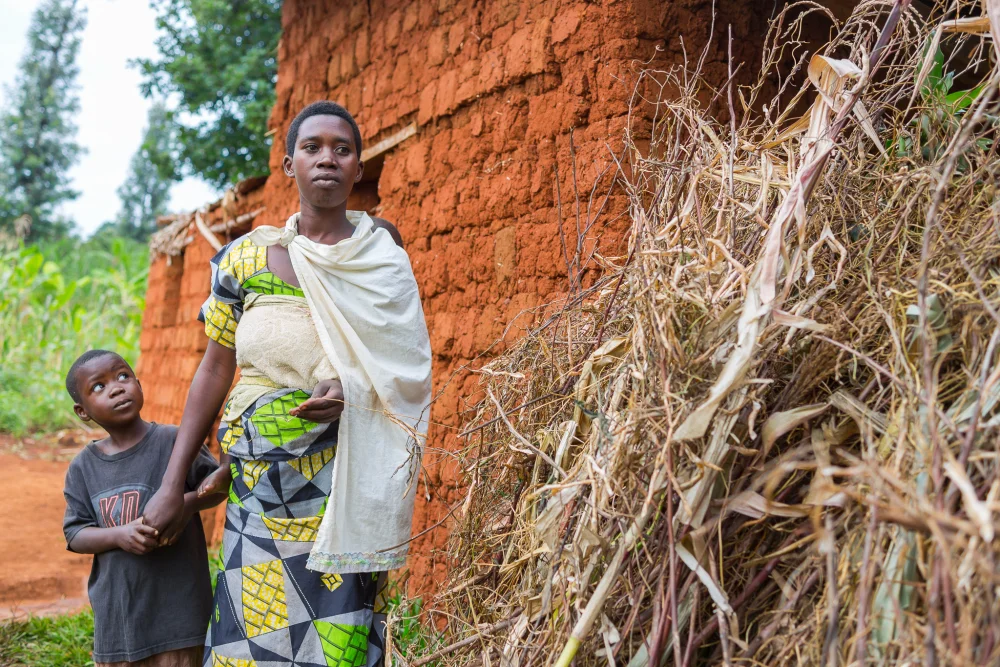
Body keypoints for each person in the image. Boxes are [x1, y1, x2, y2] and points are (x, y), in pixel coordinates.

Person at [140, 101, 433, 667]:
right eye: (312, 147)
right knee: (251, 635)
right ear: (288, 164)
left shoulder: (377, 253)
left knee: (340, 637)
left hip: (345, 483)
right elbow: (214, 368)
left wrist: (350, 389)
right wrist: (171, 482)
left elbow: (405, 363)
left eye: (342, 149)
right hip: (259, 488)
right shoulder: (244, 257)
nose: (327, 158)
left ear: (357, 169)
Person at [62, 349, 227, 667]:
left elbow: (217, 488)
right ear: (83, 411)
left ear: (139, 383)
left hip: (178, 618)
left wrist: (185, 503)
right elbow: (75, 534)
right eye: (99, 386)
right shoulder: (83, 467)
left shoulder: (176, 442)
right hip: (118, 623)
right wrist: (120, 536)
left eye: (123, 376)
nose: (116, 387)